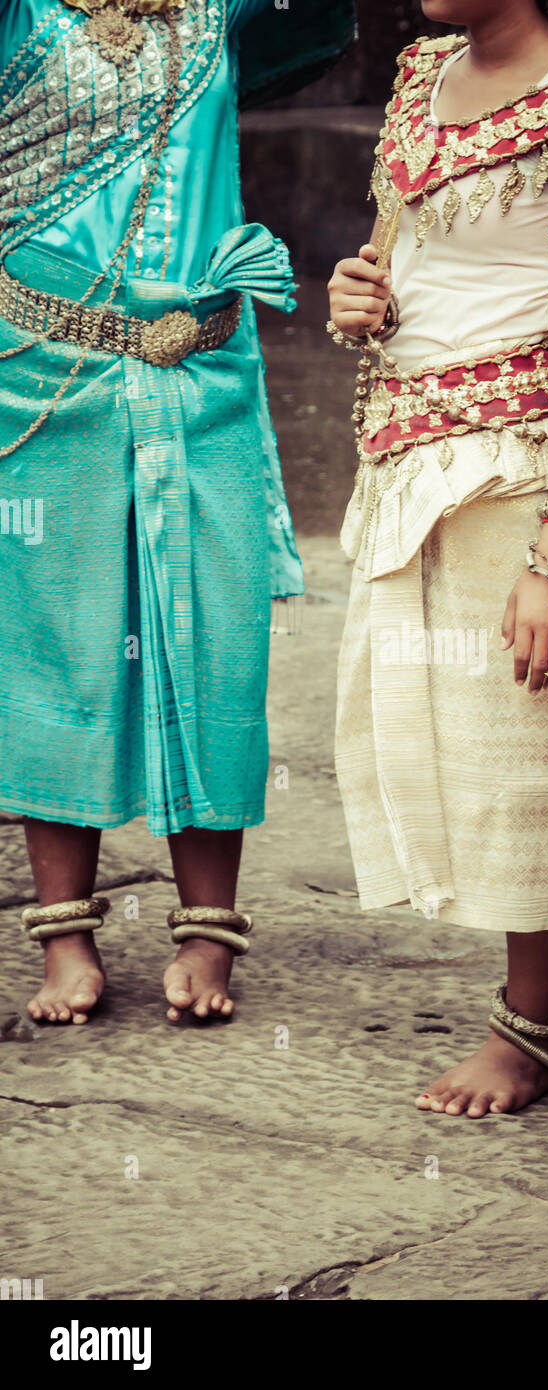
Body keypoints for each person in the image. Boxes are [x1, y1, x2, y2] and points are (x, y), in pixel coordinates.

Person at [0, 0, 352, 1025]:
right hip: (37, 375)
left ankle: (209, 930)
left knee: (214, 640)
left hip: (203, 373)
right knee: (51, 646)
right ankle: (64, 937)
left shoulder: (220, 7)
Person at [327, 0, 548, 1119]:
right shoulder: (418, 76)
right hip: (408, 456)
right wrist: (355, 293)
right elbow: (388, 255)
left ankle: (531, 1028)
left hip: (517, 470)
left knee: (522, 763)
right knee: (456, 745)